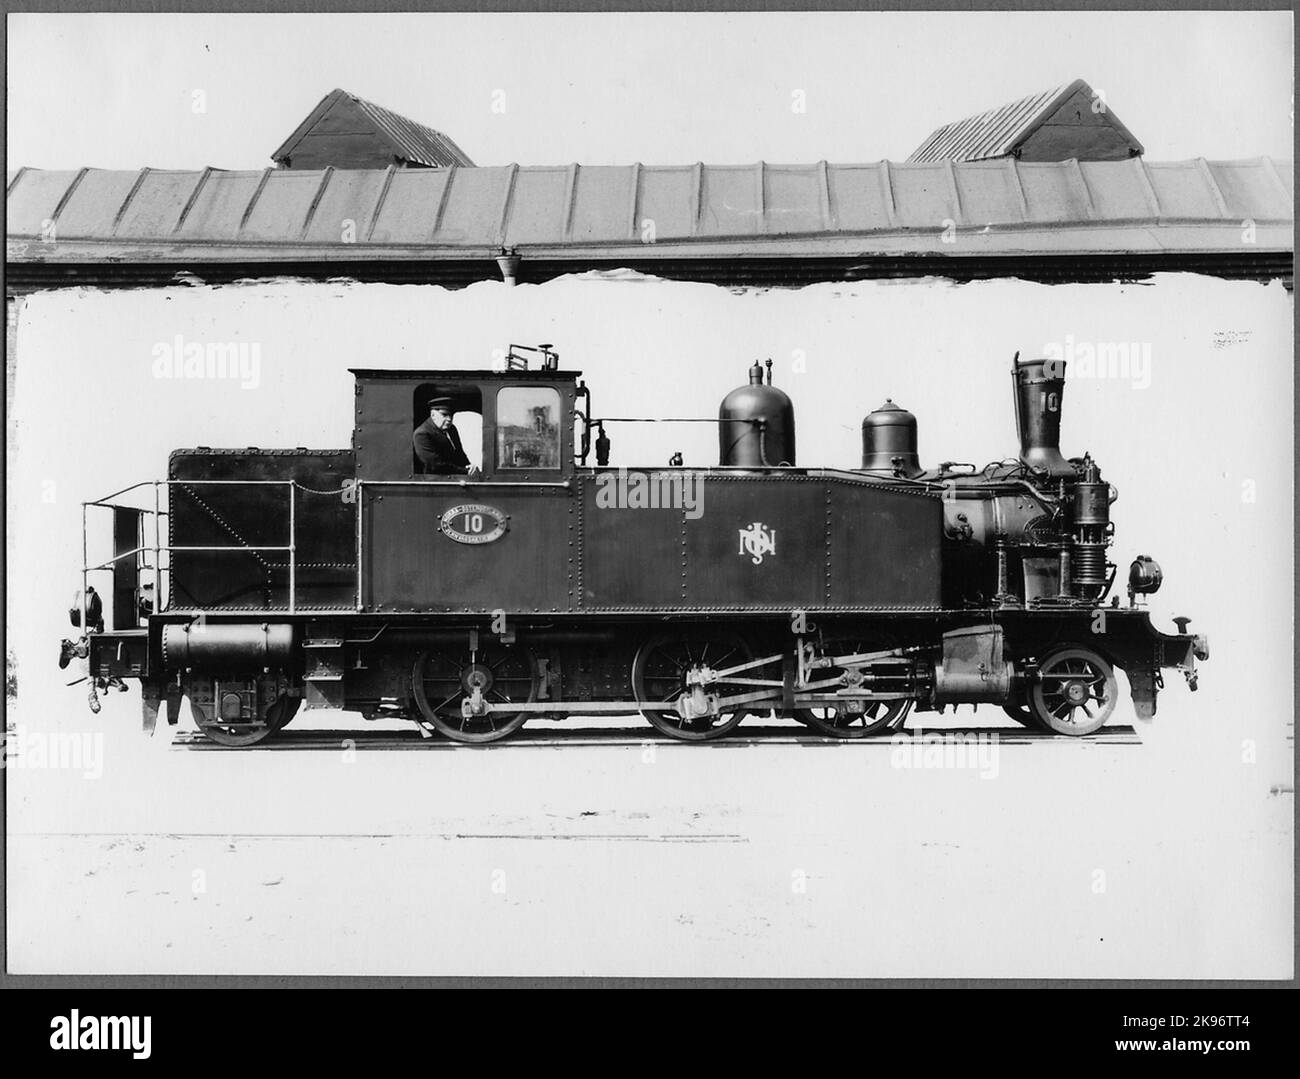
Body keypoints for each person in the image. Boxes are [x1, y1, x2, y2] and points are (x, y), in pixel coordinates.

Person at [413, 396, 472, 475]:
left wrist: (469, 466)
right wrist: (466, 471)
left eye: (451, 415)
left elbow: (459, 453)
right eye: (444, 415)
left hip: (455, 478)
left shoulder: (452, 429)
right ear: (433, 415)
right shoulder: (422, 434)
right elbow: (436, 465)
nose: (449, 419)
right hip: (435, 483)